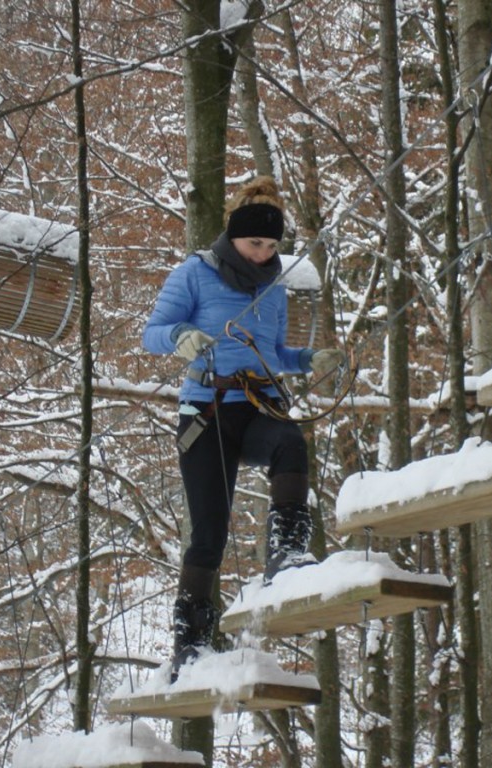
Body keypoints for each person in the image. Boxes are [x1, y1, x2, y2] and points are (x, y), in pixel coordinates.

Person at [143, 176, 346, 680]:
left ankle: (289, 550)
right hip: (206, 409)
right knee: (209, 533)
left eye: (272, 246)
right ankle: (190, 644)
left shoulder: (274, 290)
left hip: (257, 402)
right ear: (233, 235)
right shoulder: (194, 273)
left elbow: (273, 353)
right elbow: (152, 334)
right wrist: (181, 335)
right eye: (255, 243)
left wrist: (306, 358)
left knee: (290, 443)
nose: (262, 254)